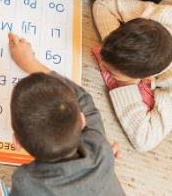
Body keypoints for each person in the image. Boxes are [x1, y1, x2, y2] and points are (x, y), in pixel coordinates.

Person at [7, 33, 124, 196]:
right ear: (82, 121)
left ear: (17, 142)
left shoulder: (26, 183)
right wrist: (31, 63)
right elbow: (83, 99)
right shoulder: (99, 147)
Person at [92, 0, 172, 152]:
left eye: (113, 73)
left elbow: (145, 139)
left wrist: (125, 85)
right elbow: (103, 4)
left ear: (146, 79)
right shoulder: (154, 16)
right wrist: (116, 51)